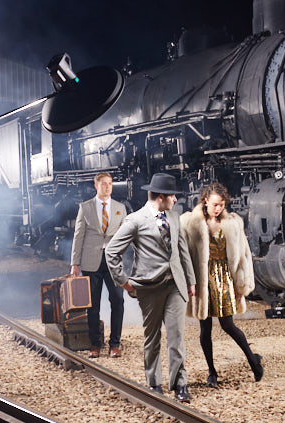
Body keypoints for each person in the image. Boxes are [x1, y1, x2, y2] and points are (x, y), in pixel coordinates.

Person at [104, 172, 197, 403]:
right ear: (161, 196)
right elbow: (111, 251)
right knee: (152, 337)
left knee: (176, 336)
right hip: (149, 287)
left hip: (175, 284)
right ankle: (154, 383)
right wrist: (123, 281)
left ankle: (180, 384)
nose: (175, 200)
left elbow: (181, 249)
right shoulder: (135, 220)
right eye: (172, 196)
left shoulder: (174, 217)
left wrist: (191, 280)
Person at [180, 183, 262, 388]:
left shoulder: (233, 223)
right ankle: (212, 372)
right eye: (215, 204)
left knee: (228, 325)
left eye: (222, 205)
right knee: (205, 327)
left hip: (224, 277)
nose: (218, 209)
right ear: (205, 200)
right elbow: (185, 255)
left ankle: (253, 361)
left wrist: (242, 283)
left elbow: (243, 255)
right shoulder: (190, 223)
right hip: (202, 279)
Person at [70, 172, 127, 358]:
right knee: (92, 305)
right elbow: (78, 236)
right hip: (90, 261)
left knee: (118, 301)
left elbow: (125, 235)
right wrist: (74, 263)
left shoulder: (120, 208)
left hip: (113, 261)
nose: (108, 187)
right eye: (104, 184)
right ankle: (95, 344)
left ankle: (115, 344)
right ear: (96, 186)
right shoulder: (85, 207)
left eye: (110, 183)